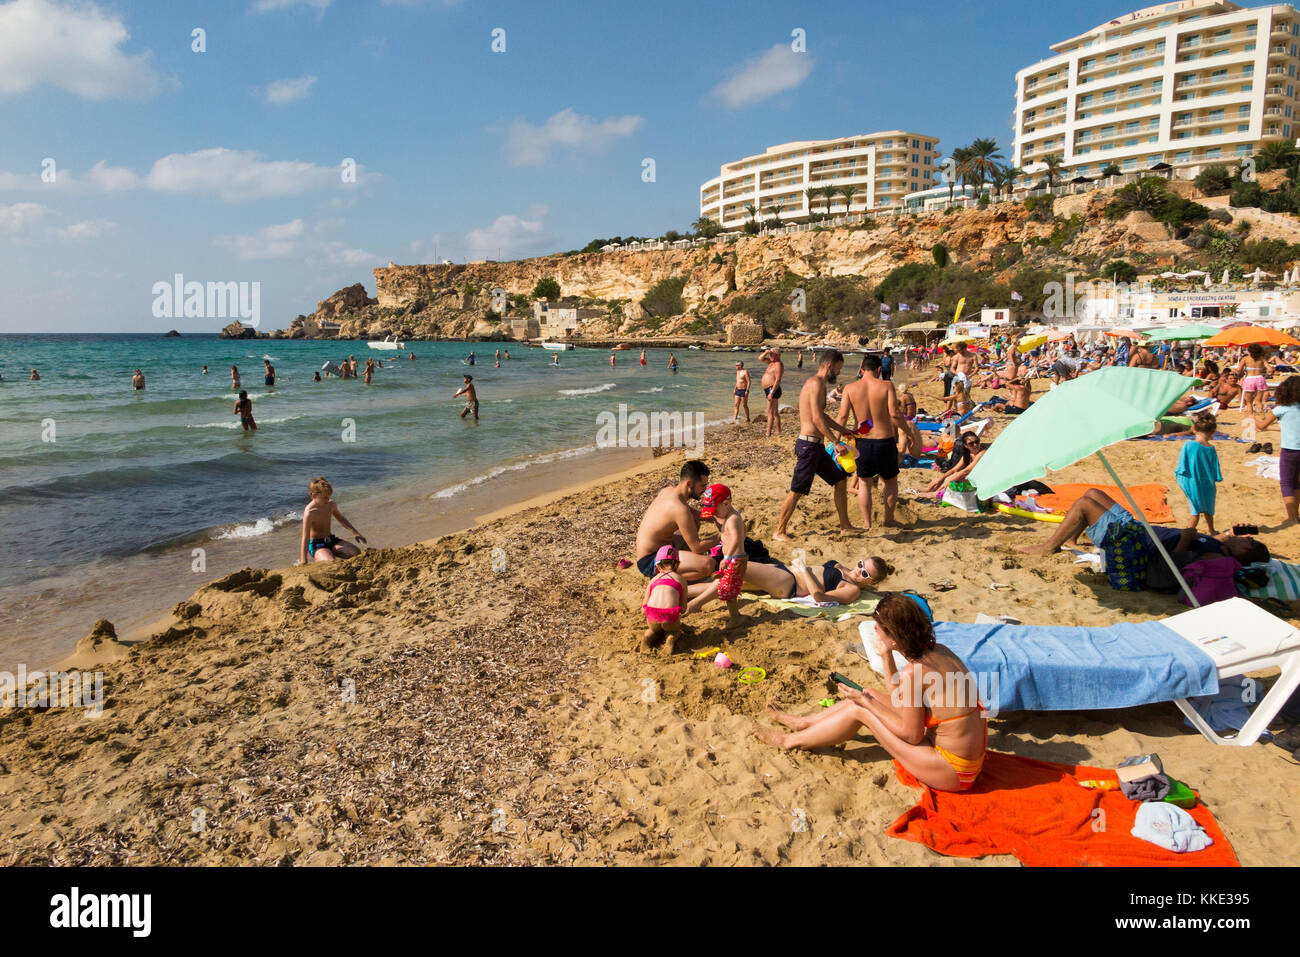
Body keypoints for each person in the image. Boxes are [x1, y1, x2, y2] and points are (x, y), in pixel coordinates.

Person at [753, 593, 986, 792]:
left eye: (879, 627)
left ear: (894, 637)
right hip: (965, 758)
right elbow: (901, 699)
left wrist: (866, 703)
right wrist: (885, 656)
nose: (875, 629)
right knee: (869, 693)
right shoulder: (940, 651)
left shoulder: (916, 672)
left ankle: (788, 741)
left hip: (954, 771)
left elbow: (912, 735)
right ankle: (801, 722)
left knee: (861, 709)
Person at [1018, 488, 1267, 591]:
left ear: (1247, 548)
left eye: (1249, 540)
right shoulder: (1221, 546)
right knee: (1093, 493)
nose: (1246, 537)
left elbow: (1172, 568)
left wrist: (1184, 539)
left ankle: (1049, 547)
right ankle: (1070, 540)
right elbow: (1219, 538)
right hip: (1139, 529)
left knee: (1085, 504)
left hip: (1134, 543)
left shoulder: (1217, 557)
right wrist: (1231, 533)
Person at [774, 350, 859, 541]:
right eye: (838, 369)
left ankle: (845, 526)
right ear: (829, 366)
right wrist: (835, 442)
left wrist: (843, 431)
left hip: (817, 447)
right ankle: (779, 531)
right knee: (797, 490)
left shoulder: (818, 384)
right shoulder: (815, 383)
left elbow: (823, 416)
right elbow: (816, 418)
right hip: (808, 446)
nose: (838, 373)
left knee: (840, 480)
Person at [838, 353, 901, 530]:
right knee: (889, 481)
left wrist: (836, 440)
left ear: (861, 369)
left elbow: (842, 416)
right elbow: (894, 414)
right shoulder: (887, 385)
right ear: (879, 369)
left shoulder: (850, 388)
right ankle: (888, 519)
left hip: (863, 442)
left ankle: (867, 524)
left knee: (864, 483)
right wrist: (907, 432)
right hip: (884, 441)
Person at [633, 460, 716, 581]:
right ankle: (663, 578)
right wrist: (721, 536)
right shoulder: (680, 509)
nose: (705, 490)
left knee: (694, 522)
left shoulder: (669, 490)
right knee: (708, 564)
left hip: (662, 547)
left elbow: (692, 513)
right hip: (650, 561)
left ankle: (683, 562)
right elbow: (697, 547)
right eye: (702, 486)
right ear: (689, 484)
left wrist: (713, 517)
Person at [681, 484, 748, 626]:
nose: (714, 514)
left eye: (715, 511)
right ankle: (736, 617)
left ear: (726, 503)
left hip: (735, 561)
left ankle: (734, 619)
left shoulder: (733, 519)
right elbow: (740, 534)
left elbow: (737, 539)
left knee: (727, 591)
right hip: (733, 560)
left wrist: (727, 557)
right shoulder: (729, 517)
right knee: (729, 591)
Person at [1250, 374, 1300, 525]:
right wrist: (1270, 429)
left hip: (1290, 450)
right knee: (1297, 482)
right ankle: (1296, 514)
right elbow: (1288, 427)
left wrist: (1252, 418)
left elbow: (1261, 425)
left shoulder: (1281, 409)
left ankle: (1292, 517)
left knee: (1286, 482)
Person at [299, 476, 367, 564]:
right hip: (316, 544)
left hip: (330, 539)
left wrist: (355, 532)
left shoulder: (331, 504)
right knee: (330, 563)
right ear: (313, 495)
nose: (328, 499)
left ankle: (328, 553)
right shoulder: (309, 513)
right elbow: (305, 536)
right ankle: (323, 554)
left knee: (356, 553)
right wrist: (303, 559)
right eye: (324, 497)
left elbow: (341, 519)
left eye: (329, 496)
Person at [1176, 412, 1223, 535]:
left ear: (1195, 429)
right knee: (1208, 509)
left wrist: (1180, 477)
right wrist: (1216, 478)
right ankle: (1212, 530)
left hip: (1192, 482)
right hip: (1208, 483)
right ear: (1212, 433)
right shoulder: (1211, 449)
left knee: (1195, 511)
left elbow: (1182, 465)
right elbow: (1215, 469)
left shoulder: (1189, 444)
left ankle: (1188, 533)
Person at [641, 545, 686, 654]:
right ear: (677, 564)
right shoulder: (681, 580)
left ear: (657, 566)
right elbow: (683, 608)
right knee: (675, 631)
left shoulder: (653, 580)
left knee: (653, 630)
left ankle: (648, 636)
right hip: (669, 615)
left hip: (652, 613)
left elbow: (643, 608)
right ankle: (671, 637)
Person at [924, 431, 985, 498]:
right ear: (965, 446)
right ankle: (930, 489)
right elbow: (954, 469)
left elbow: (967, 470)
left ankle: (937, 493)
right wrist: (939, 479)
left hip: (983, 480)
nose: (975, 445)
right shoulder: (968, 454)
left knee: (953, 477)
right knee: (948, 477)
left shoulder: (982, 452)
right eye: (971, 443)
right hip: (974, 478)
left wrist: (950, 478)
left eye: (977, 441)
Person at [1237, 344, 1272, 416]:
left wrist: (1234, 370)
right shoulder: (1262, 358)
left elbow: (1239, 370)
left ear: (1249, 351)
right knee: (1258, 401)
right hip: (1260, 378)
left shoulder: (1245, 359)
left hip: (1250, 379)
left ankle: (1251, 418)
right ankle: (1262, 416)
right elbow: (1270, 369)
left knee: (1249, 401)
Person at [759, 347, 785, 438]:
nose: (770, 356)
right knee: (774, 413)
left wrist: (772, 393)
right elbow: (760, 358)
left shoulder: (778, 364)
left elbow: (778, 380)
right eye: (770, 354)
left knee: (770, 412)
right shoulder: (771, 363)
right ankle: (778, 432)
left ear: (777, 355)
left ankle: (768, 433)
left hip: (773, 389)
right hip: (769, 389)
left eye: (772, 354)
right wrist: (767, 352)